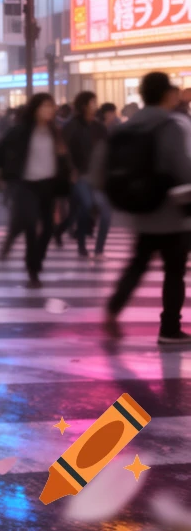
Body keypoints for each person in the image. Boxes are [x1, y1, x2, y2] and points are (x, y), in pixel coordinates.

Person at [101, 72, 191, 345]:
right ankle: (170, 329)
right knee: (174, 271)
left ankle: (113, 308)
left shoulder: (129, 125)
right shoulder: (169, 124)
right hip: (169, 211)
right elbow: (180, 167)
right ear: (167, 95)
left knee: (138, 263)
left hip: (141, 209)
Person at [0, 94, 71, 289]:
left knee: (47, 229)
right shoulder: (21, 130)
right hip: (26, 183)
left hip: (48, 184)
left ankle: (27, 250)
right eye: (45, 106)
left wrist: (67, 166)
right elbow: (1, 150)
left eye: (51, 106)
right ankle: (33, 271)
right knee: (29, 223)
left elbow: (63, 157)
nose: (49, 110)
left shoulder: (56, 132)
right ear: (35, 109)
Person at [59, 91, 107, 258]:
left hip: (96, 176)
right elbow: (63, 150)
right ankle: (81, 245)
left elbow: (105, 150)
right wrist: (71, 169)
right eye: (92, 103)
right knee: (85, 206)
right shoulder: (72, 125)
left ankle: (98, 249)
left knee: (99, 211)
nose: (95, 106)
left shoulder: (98, 127)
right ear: (84, 106)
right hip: (79, 175)